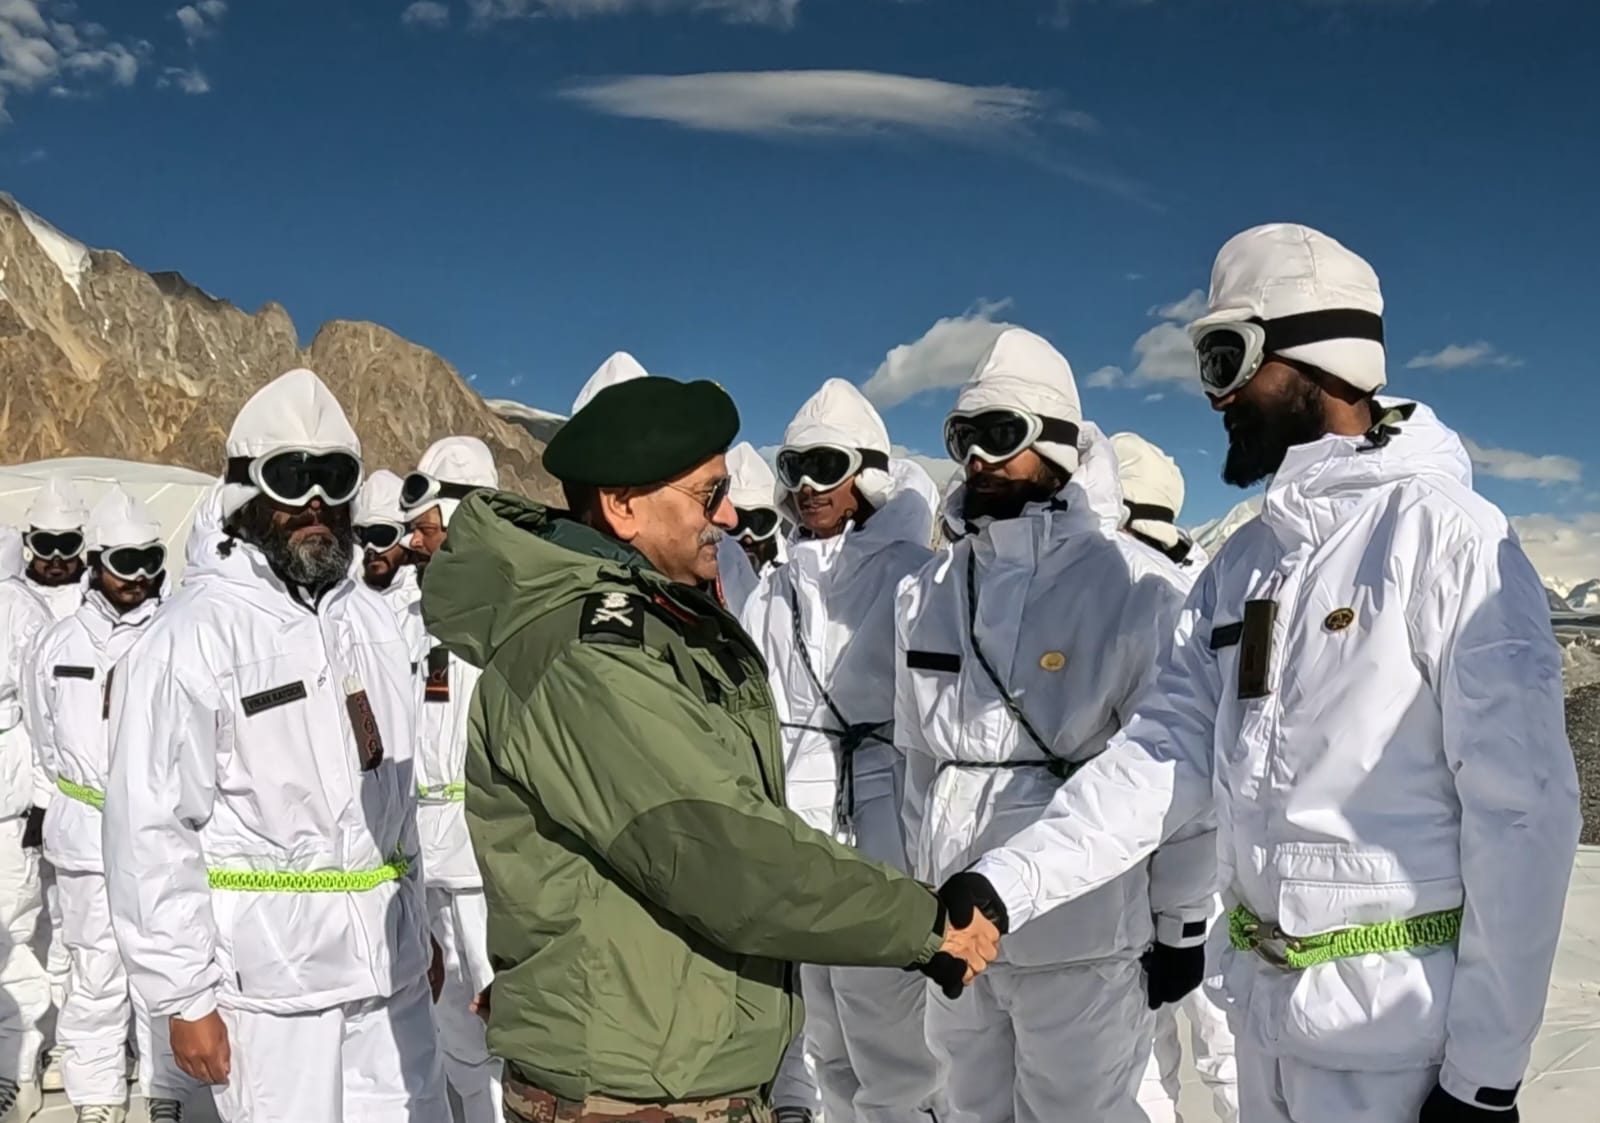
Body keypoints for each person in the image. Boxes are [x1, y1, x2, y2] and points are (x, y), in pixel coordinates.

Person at [959, 224, 1583, 1123]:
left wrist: (1486, 1071)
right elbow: (1161, 756)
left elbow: (1522, 809)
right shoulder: (1246, 560)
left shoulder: (1445, 536)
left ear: (1315, 358)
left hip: (1400, 1042)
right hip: (1266, 1014)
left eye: (1227, 357)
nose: (1214, 395)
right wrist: (1008, 882)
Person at [418, 375, 1000, 1123]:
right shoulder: (589, 659)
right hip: (636, 1094)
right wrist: (927, 926)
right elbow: (724, 853)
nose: (728, 515)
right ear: (623, 506)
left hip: (665, 1067)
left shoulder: (645, 628)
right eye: (707, 493)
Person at [102, 368, 449, 1122]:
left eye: (335, 476)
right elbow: (150, 827)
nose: (316, 500)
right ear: (243, 492)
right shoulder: (191, 637)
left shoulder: (375, 625)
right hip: (272, 989)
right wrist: (184, 995)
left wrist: (418, 923)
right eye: (292, 478)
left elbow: (397, 794)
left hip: (389, 973)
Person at [895, 327, 1212, 1123]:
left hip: (1082, 934)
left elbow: (1173, 776)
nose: (977, 459)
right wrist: (921, 892)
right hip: (958, 923)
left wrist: (1179, 922)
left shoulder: (1136, 591)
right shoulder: (929, 591)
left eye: (1001, 435)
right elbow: (916, 761)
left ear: (1060, 444)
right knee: (966, 1106)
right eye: (963, 437)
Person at [740, 379, 947, 1123]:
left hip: (882, 831)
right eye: (794, 466)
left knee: (893, 1043)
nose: (806, 486)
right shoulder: (773, 591)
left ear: (868, 473)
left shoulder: (912, 580)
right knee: (823, 1034)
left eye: (826, 465)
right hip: (798, 831)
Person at [24, 488, 199, 1123]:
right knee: (96, 966)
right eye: (124, 561)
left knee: (166, 962)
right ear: (97, 562)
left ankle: (166, 1089)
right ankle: (96, 1093)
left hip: (161, 832)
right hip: (87, 831)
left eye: (150, 559)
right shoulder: (57, 643)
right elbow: (45, 736)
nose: (140, 577)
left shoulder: (180, 636)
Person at [1110, 432, 1238, 1123]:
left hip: (1146, 852)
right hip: (1220, 855)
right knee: (1227, 1036)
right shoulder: (1214, 584)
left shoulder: (1125, 594)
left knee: (1141, 1044)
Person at [400, 437, 502, 1123]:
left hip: (489, 856)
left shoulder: (510, 611)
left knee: (504, 1025)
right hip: (428, 852)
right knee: (450, 1027)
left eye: (425, 525)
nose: (412, 540)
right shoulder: (411, 616)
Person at [21, 475, 88, 1096]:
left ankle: (79, 1046)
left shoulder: (101, 605)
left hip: (80, 801)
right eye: (48, 545)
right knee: (26, 929)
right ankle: (29, 1049)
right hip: (26, 797)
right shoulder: (13, 605)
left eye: (71, 545)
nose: (59, 560)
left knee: (80, 930)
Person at [0, 527, 52, 1123]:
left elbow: (45, 718)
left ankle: (17, 1066)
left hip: (10, 810)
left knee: (12, 935)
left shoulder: (19, 608)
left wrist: (40, 802)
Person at [717, 442, 787, 618]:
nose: (748, 538)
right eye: (738, 523)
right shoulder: (701, 584)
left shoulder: (794, 581)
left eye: (759, 524)